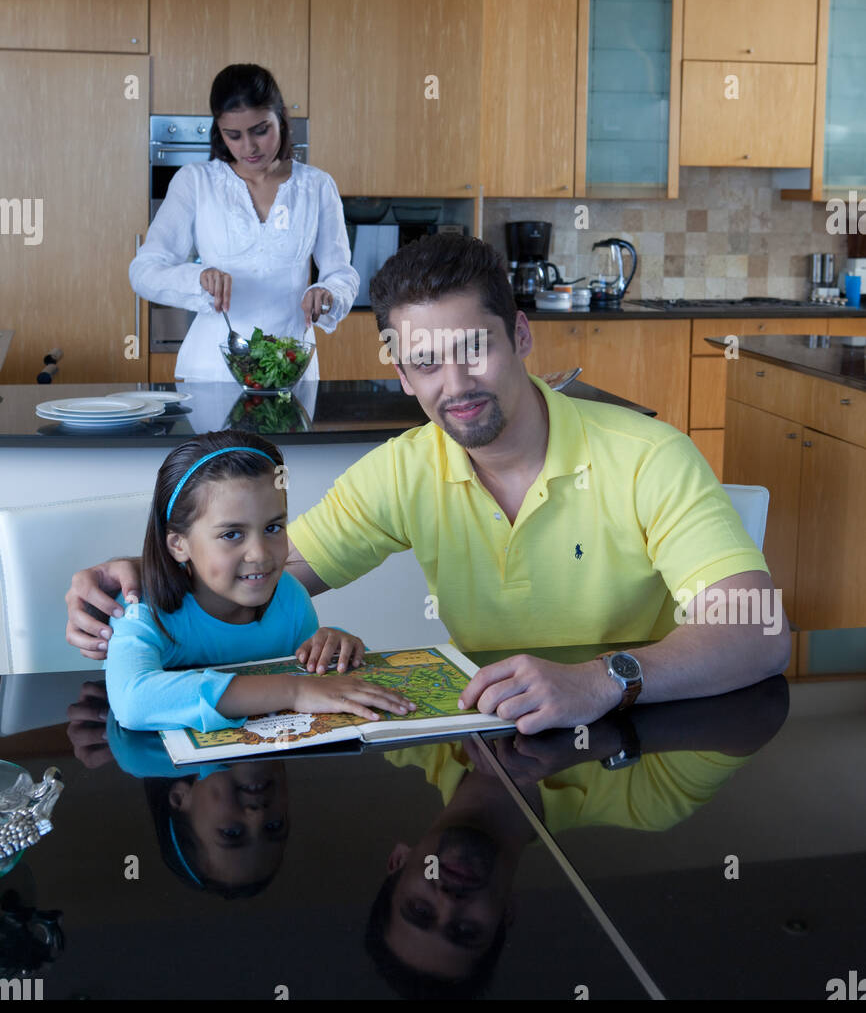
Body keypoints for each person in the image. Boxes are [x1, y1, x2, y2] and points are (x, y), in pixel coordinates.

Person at [68, 235, 791, 732]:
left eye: (473, 350)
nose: (455, 387)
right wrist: (156, 577)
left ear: (521, 334)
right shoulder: (405, 468)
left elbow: (759, 635)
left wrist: (603, 679)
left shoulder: (649, 456)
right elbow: (261, 572)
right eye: (424, 363)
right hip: (494, 743)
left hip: (645, 739)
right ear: (401, 371)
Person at [104, 429, 414, 732]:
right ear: (178, 544)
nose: (259, 554)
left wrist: (333, 649)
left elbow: (313, 680)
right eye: (232, 534)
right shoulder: (141, 607)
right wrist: (293, 690)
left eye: (273, 528)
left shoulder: (289, 598)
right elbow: (133, 700)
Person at [130, 63, 359, 381]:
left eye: (260, 130)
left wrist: (328, 292)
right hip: (211, 370)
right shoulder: (195, 182)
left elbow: (341, 274)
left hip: (290, 367)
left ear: (280, 117)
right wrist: (199, 278)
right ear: (219, 131)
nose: (248, 147)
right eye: (233, 135)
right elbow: (143, 272)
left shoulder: (317, 186)